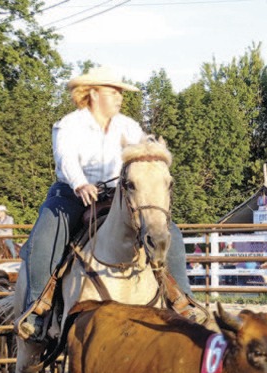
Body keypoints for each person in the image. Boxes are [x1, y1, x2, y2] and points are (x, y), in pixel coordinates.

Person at [15, 65, 199, 342]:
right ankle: (37, 309)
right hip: (72, 193)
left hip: (120, 194)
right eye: (113, 91)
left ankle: (182, 299)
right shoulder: (68, 124)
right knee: (46, 236)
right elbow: (66, 158)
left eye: (120, 92)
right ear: (92, 93)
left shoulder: (129, 126)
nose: (119, 96)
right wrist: (79, 182)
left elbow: (142, 159)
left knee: (167, 230)